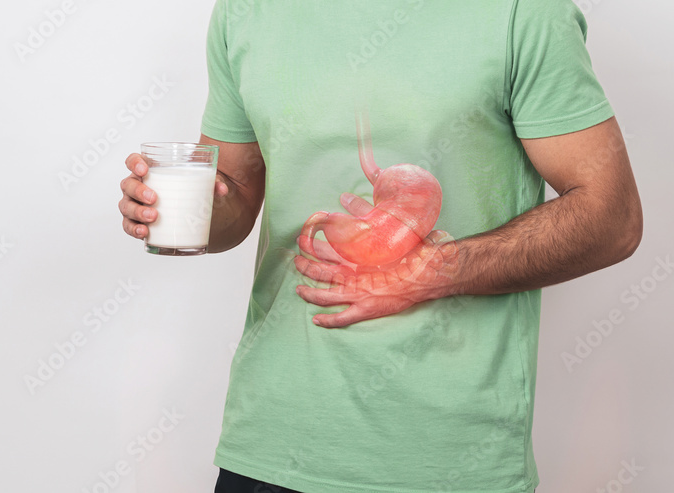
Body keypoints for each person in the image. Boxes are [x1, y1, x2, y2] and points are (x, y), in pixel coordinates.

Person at [117, 0, 643, 491]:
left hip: (449, 459)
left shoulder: (522, 12)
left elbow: (612, 216)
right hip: (270, 446)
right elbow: (231, 199)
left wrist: (434, 270)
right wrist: (175, 211)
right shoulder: (245, 11)